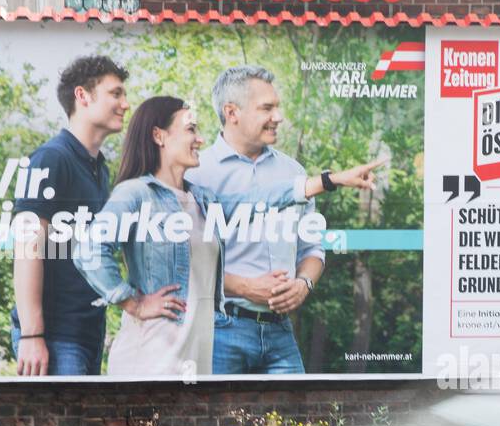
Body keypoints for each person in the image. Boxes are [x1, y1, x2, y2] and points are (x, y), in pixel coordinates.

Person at [74, 96, 382, 378]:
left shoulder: (202, 201)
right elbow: (89, 249)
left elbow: (259, 200)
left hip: (195, 359)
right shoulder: (137, 193)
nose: (200, 139)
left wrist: (332, 180)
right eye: (191, 130)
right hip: (152, 358)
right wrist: (133, 303)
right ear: (159, 136)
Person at [187, 65, 324, 374]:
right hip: (221, 330)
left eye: (277, 107)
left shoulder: (295, 173)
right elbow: (185, 264)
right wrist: (245, 287)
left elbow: (313, 249)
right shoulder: (197, 174)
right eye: (267, 108)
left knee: (295, 422)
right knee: (218, 423)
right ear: (231, 112)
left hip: (281, 335)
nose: (278, 117)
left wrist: (304, 284)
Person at [12, 55, 130, 376]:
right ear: (83, 96)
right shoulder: (51, 158)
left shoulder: (99, 169)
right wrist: (32, 334)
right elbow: (26, 249)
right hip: (54, 338)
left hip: (88, 336)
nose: (125, 104)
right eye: (116, 93)